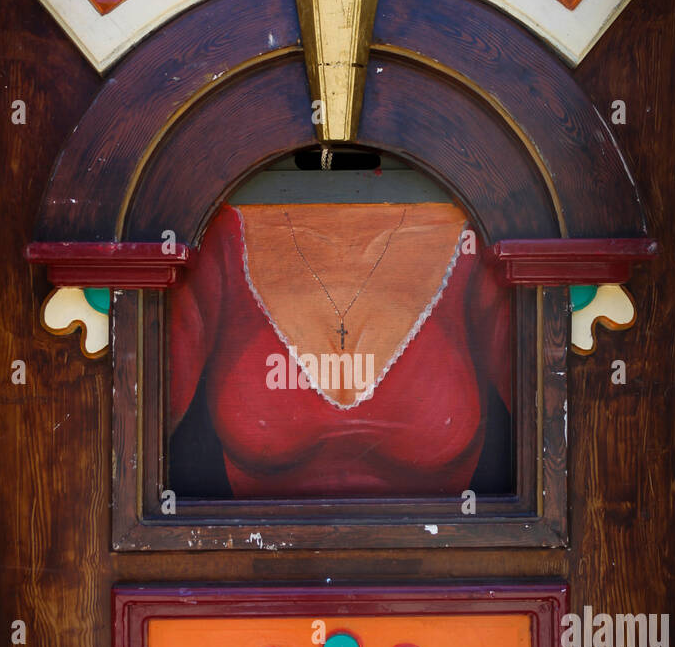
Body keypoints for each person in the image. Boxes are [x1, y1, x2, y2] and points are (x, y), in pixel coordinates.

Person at [167, 198, 511, 499]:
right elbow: (141, 421)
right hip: (250, 552)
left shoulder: (472, 238)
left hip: (450, 552)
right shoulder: (222, 238)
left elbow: (540, 407)